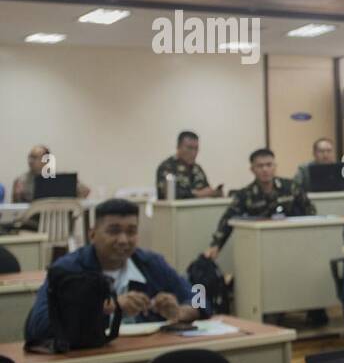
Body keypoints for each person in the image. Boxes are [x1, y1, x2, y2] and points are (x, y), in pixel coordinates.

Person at [24, 198, 198, 341]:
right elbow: (38, 326)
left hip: (143, 352)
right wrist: (109, 307)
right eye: (114, 231)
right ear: (92, 235)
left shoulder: (151, 263)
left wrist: (181, 311)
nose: (123, 240)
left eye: (131, 232)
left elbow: (200, 297)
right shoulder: (67, 270)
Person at [205, 148, 315, 259]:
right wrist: (216, 245)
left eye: (269, 165)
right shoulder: (245, 195)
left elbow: (310, 211)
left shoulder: (291, 187)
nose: (265, 169)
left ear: (275, 167)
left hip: (292, 241)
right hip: (261, 247)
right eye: (260, 166)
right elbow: (228, 219)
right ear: (252, 169)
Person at [155, 130, 222, 199]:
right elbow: (168, 194)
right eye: (189, 148)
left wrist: (213, 193)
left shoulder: (197, 168)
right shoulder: (167, 167)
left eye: (196, 149)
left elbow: (206, 189)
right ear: (178, 147)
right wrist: (197, 194)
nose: (193, 153)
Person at [11, 144, 90, 201]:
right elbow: (16, 207)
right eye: (30, 157)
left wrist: (75, 193)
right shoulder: (21, 180)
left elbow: (86, 191)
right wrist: (17, 195)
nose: (30, 161)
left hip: (59, 219)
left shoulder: (61, 178)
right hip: (32, 221)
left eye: (34, 157)